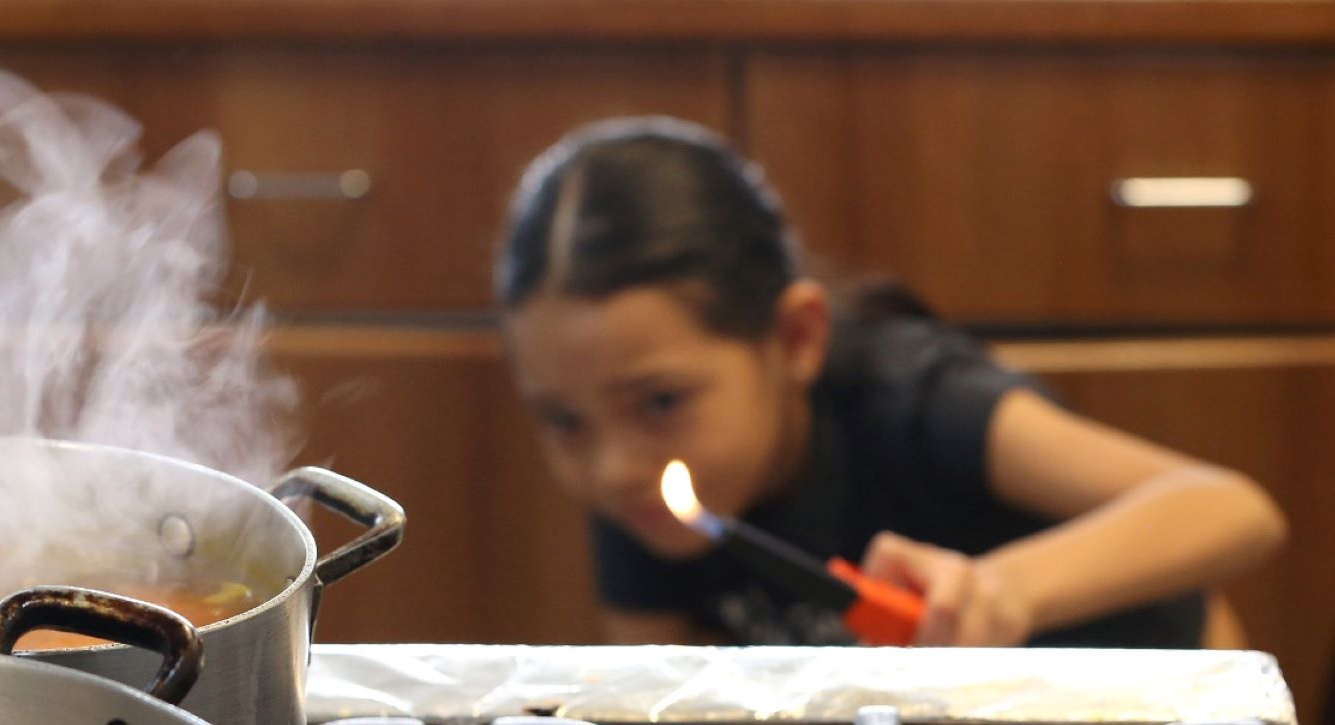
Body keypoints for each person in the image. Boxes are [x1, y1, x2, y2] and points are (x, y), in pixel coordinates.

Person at [495, 117, 1287, 647]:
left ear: (795, 337)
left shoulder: (916, 400)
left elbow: (1232, 510)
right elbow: (667, 718)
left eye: (661, 402)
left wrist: (1004, 591)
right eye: (562, 420)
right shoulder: (644, 494)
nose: (611, 465)